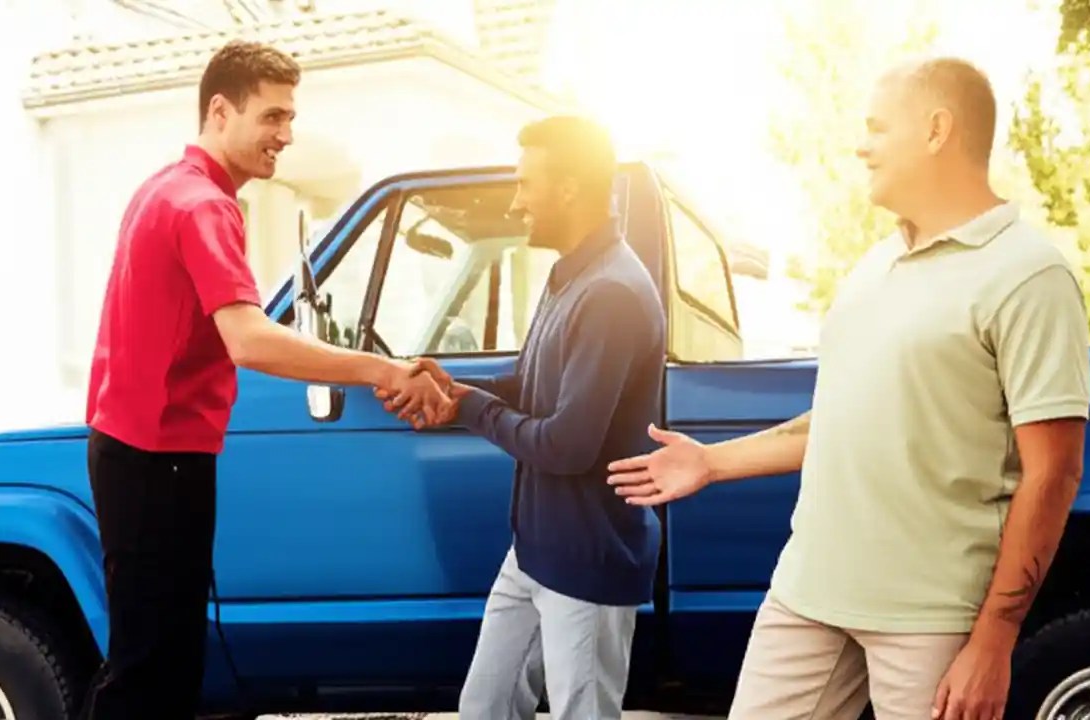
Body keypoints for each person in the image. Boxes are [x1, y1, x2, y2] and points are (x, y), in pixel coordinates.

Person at [607, 56, 1090, 720]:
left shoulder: (1028, 274)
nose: (861, 146)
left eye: (876, 128)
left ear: (936, 130)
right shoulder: (875, 264)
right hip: (808, 591)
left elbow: (1054, 473)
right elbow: (838, 419)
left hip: (928, 615)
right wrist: (712, 462)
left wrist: (994, 639)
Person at [80, 40, 450, 720]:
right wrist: (381, 369)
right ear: (220, 111)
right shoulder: (204, 206)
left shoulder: (162, 189)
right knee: (154, 674)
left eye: (290, 117)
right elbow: (249, 339)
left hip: (129, 451)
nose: (286, 134)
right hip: (161, 461)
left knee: (145, 662)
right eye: (273, 116)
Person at [382, 116, 665, 720]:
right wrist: (453, 388)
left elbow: (567, 444)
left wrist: (472, 408)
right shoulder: (570, 276)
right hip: (535, 551)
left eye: (525, 184)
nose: (517, 202)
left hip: (585, 562)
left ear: (567, 188)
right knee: (483, 706)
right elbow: (534, 386)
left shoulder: (612, 293)